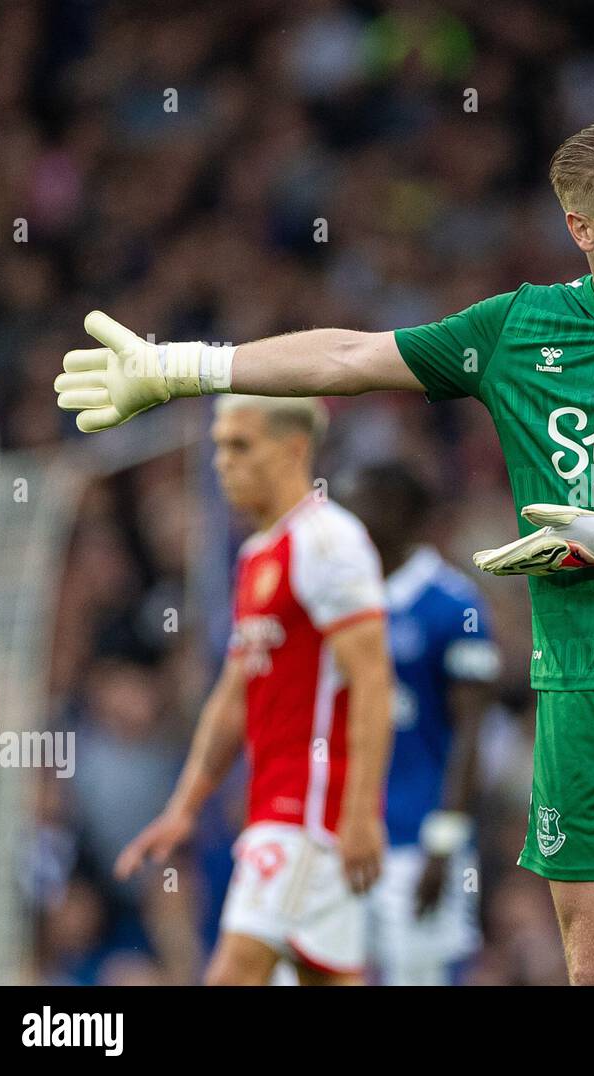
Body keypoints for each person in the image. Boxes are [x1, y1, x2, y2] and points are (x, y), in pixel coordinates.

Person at [56, 121, 594, 985]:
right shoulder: (519, 329)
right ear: (581, 230)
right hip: (582, 685)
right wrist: (183, 367)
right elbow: (352, 355)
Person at [114, 395, 393, 985]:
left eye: (239, 445)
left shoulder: (328, 543)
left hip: (311, 813)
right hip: (281, 809)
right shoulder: (255, 554)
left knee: (233, 973)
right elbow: (235, 696)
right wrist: (184, 808)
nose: (221, 463)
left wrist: (361, 813)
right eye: (218, 446)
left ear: (294, 449)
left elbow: (373, 681)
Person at [341, 461, 500, 985]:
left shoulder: (451, 604)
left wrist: (445, 841)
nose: (351, 517)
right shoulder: (339, 597)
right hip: (344, 834)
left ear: (399, 512)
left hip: (417, 838)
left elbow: (471, 733)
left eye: (363, 503)